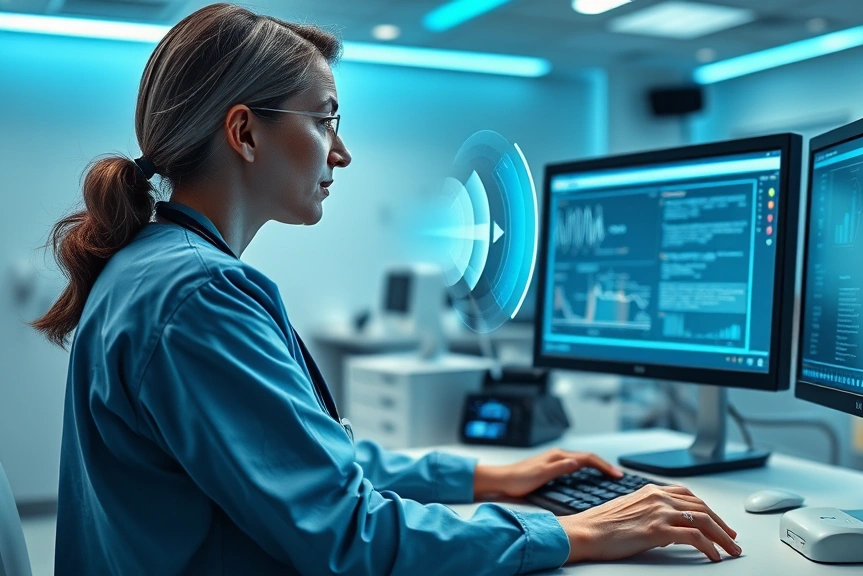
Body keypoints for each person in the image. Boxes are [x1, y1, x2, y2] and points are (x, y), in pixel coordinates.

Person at [33, 4, 741, 575]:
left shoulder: (156, 266)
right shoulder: (198, 297)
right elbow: (348, 535)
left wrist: (484, 478)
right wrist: (573, 533)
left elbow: (298, 459)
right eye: (325, 119)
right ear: (245, 133)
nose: (341, 151)